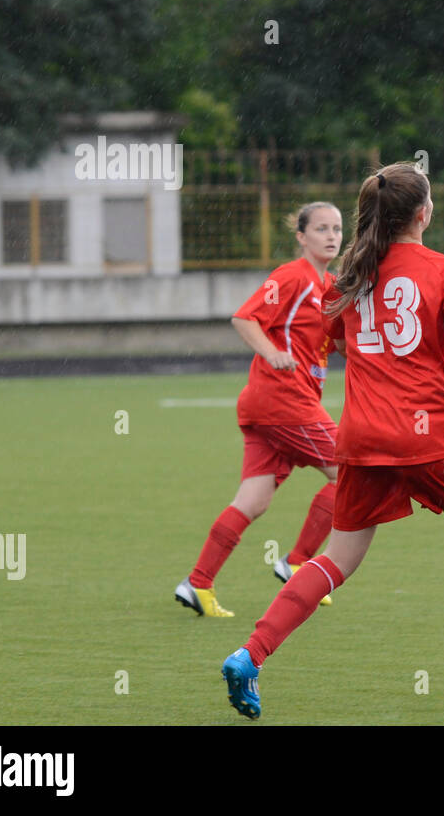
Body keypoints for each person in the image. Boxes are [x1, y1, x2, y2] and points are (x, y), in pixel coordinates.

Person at [220, 162, 444, 718]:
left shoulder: (351, 276)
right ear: (423, 213)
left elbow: (333, 341)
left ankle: (249, 656)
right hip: (431, 434)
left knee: (337, 559)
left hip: (363, 435)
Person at [174, 202, 343, 617]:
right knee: (353, 471)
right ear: (301, 236)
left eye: (337, 228)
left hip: (271, 407)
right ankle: (299, 561)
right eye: (321, 228)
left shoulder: (332, 285)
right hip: (283, 401)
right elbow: (245, 318)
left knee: (253, 500)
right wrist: (273, 353)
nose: (331, 235)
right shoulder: (292, 276)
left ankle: (198, 584)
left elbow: (340, 343)